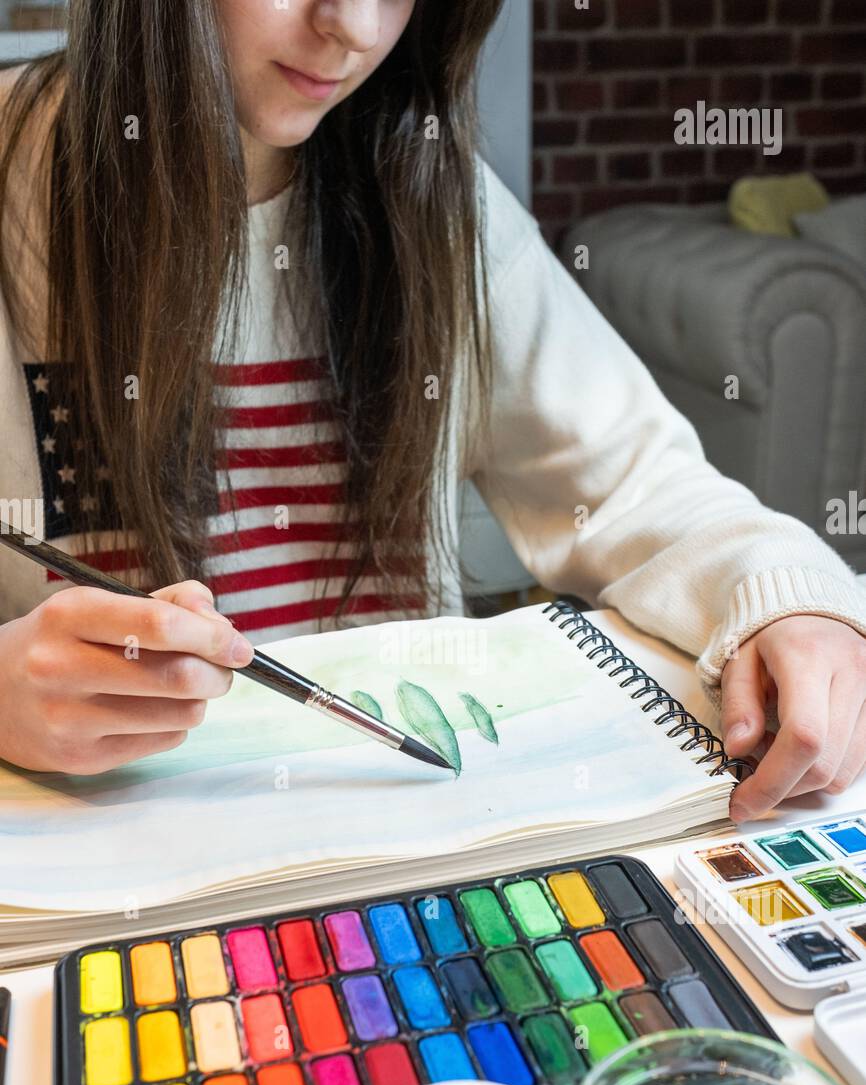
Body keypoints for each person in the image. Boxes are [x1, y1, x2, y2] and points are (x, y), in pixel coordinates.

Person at [0, 0, 863, 824]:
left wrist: (793, 599)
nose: (355, 29)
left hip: (392, 825)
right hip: (92, 847)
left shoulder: (434, 188)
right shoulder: (17, 174)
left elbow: (636, 486)